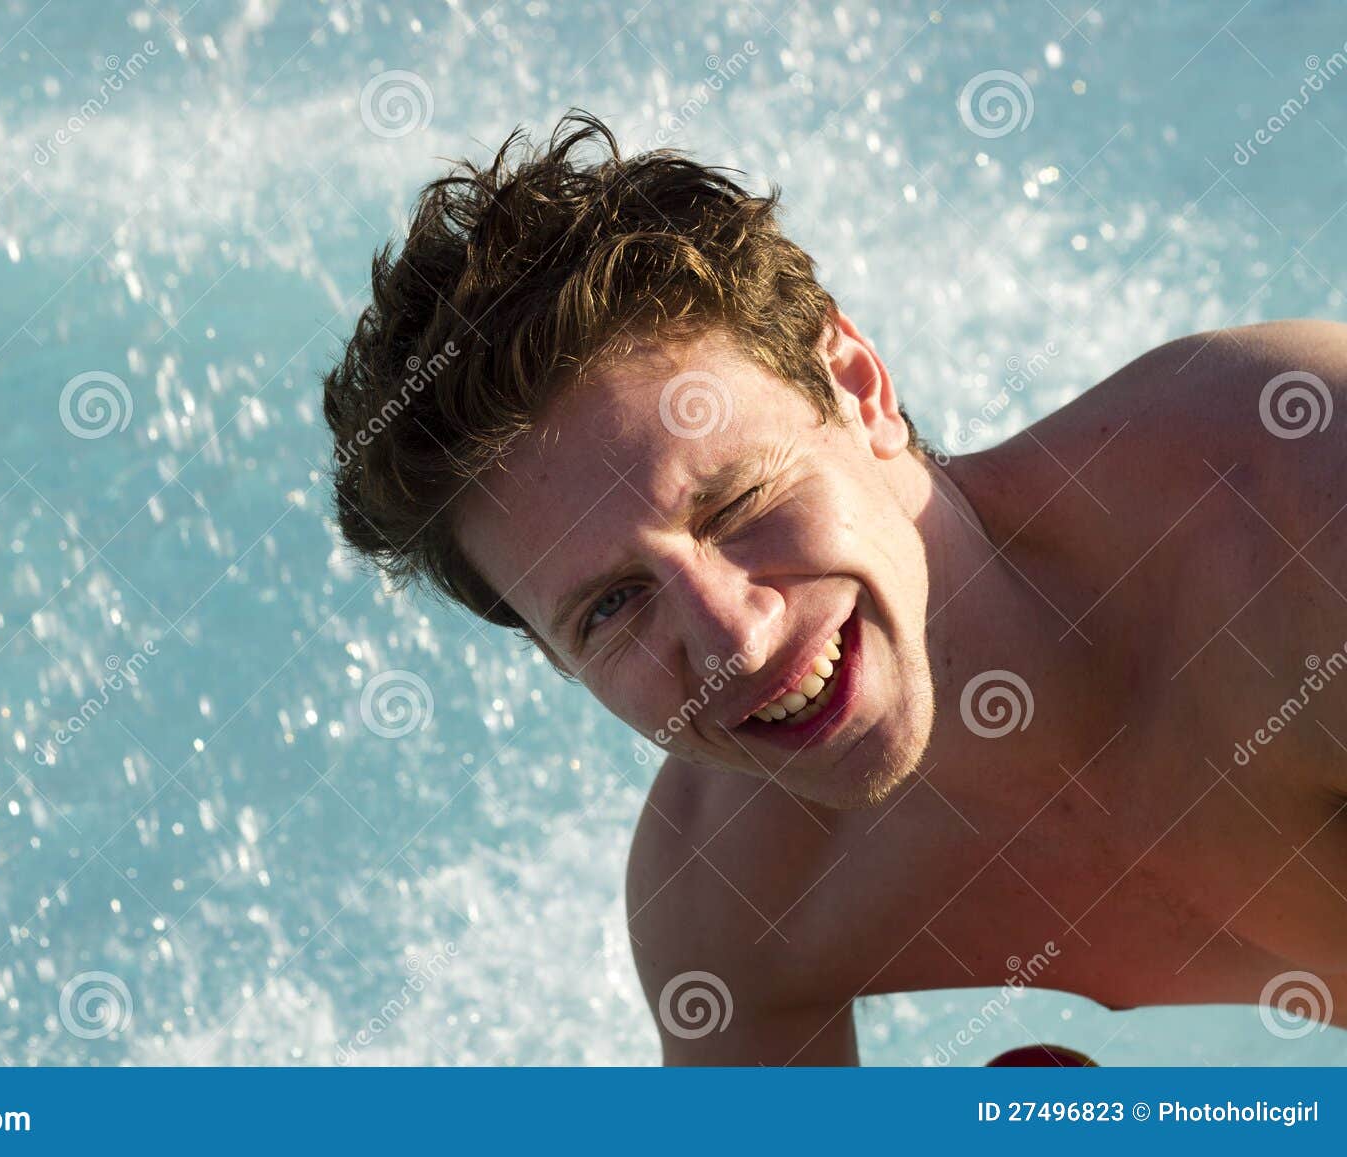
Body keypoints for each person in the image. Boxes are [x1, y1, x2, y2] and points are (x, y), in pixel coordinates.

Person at [322, 111, 1347, 1064]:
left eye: (735, 504)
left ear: (857, 387)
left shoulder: (1298, 507)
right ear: (555, 657)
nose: (729, 637)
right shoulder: (727, 912)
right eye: (608, 606)